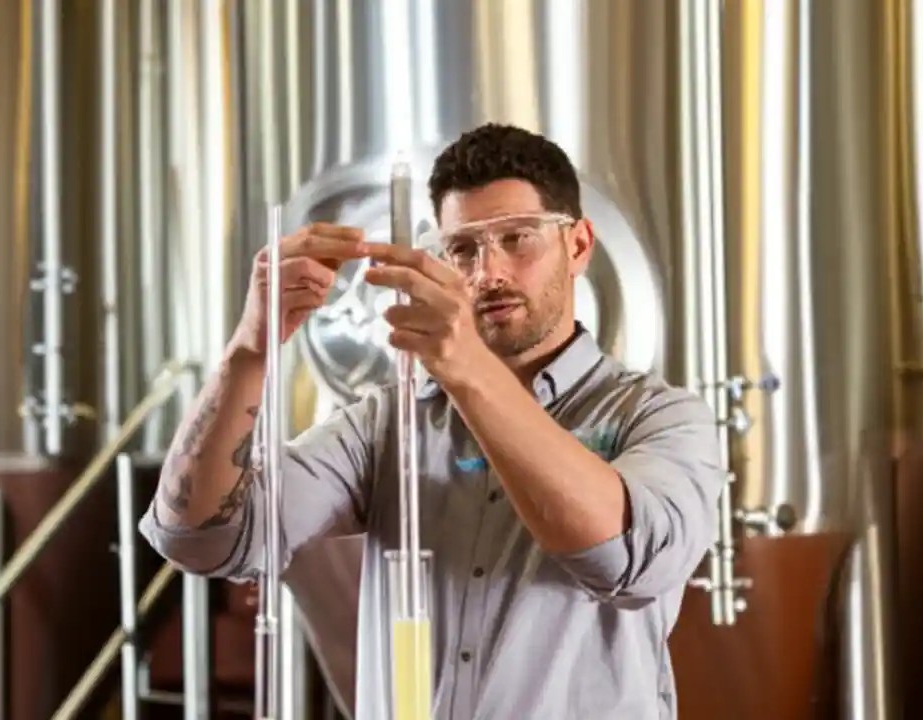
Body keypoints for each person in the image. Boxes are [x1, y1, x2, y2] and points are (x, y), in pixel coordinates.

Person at [139, 122, 724, 719]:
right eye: (463, 248)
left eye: (517, 238)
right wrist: (251, 350)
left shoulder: (661, 418)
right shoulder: (388, 423)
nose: (487, 273)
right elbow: (204, 539)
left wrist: (466, 365)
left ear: (577, 246)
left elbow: (623, 559)